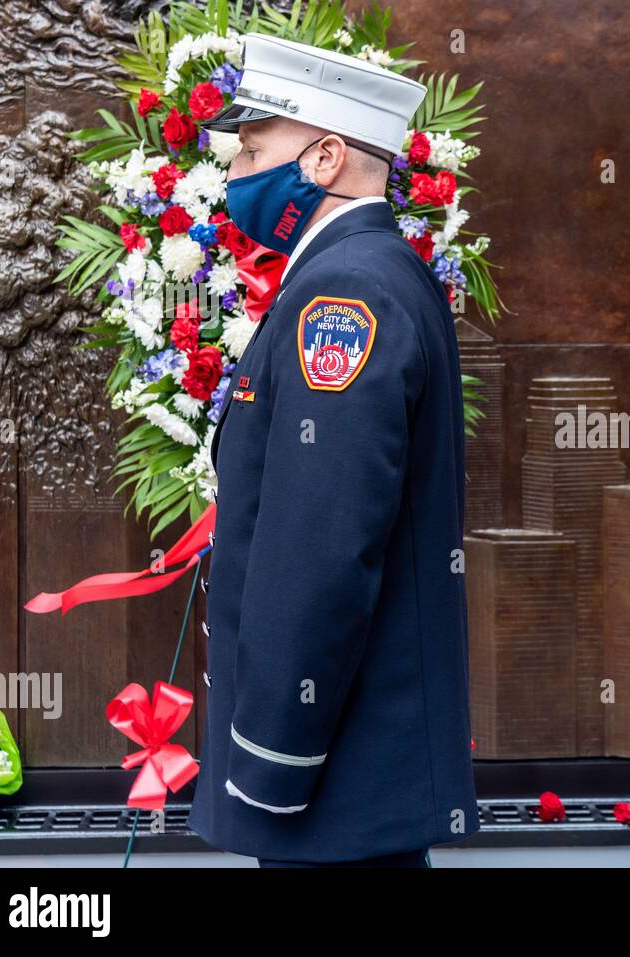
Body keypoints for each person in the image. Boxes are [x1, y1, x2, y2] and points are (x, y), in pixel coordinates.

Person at [185, 32, 479, 867]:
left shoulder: (344, 293)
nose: (234, 173)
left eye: (252, 148)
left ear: (323, 158)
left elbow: (321, 543)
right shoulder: (376, 269)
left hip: (331, 781)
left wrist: (272, 755)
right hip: (351, 774)